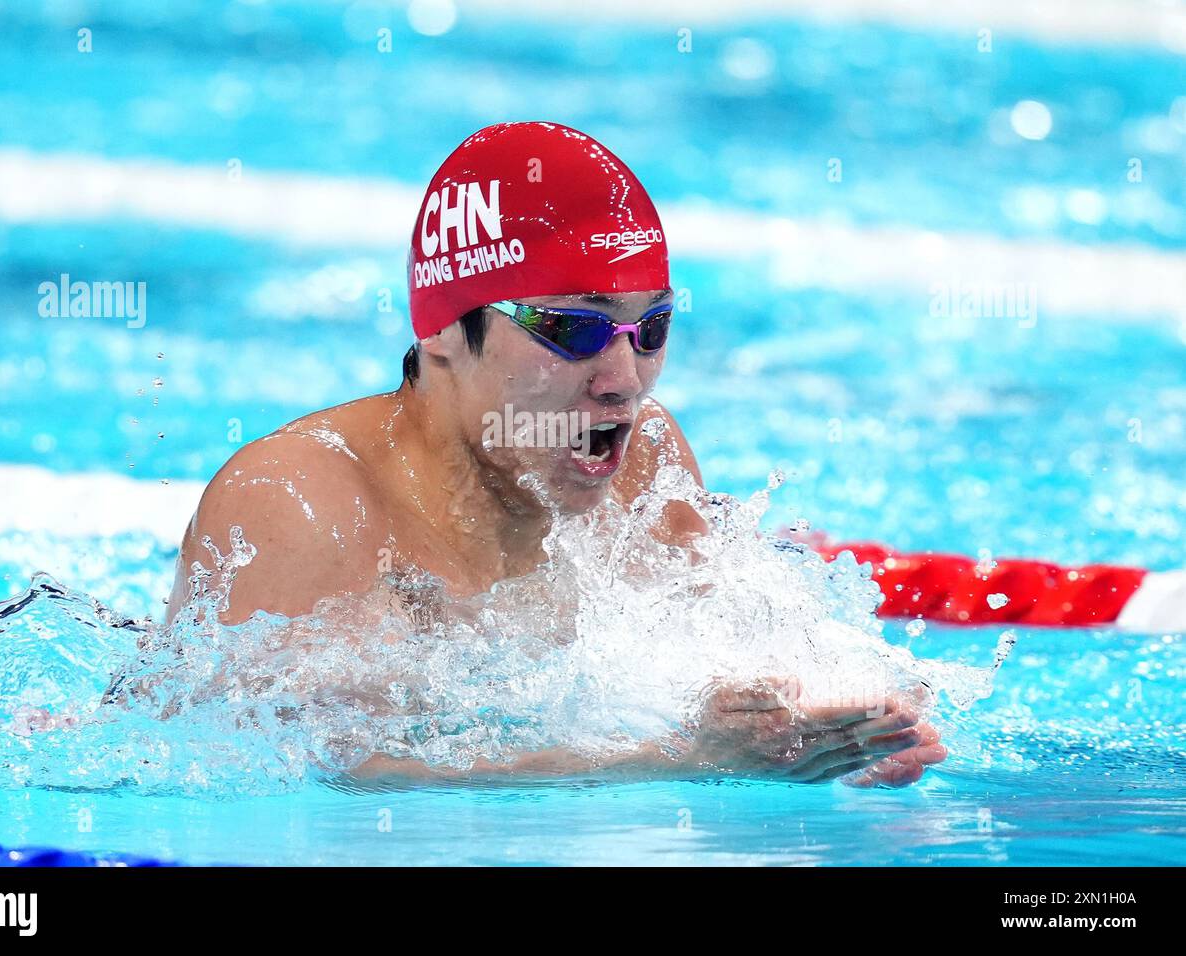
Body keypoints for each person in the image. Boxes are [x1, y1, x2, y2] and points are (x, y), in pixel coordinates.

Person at [165, 121, 947, 786]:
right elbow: (313, 782)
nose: (623, 384)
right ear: (443, 329)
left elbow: (727, 659)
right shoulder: (304, 502)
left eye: (652, 332)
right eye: (572, 329)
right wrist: (673, 763)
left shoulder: (647, 461)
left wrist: (848, 720)